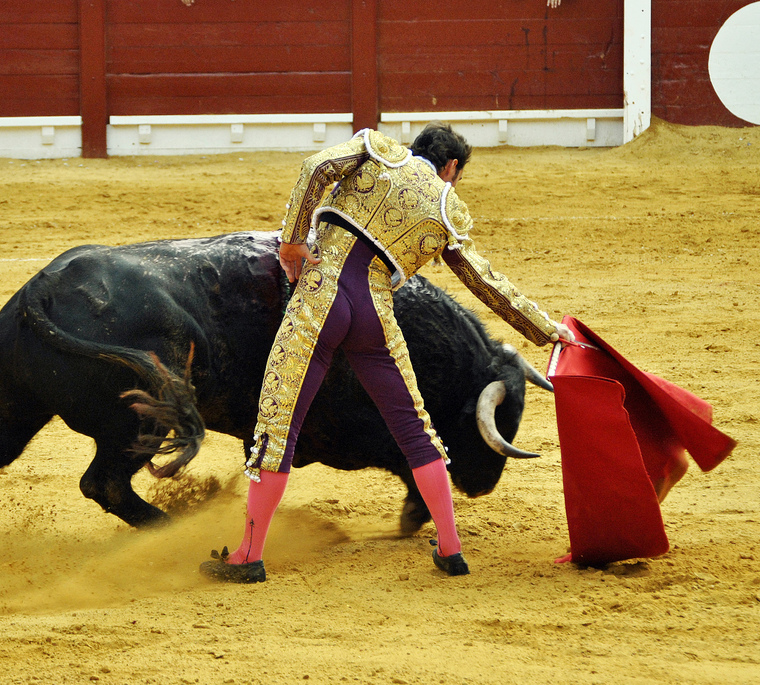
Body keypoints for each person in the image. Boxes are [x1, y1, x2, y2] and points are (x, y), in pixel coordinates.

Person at [200, 122, 574, 583]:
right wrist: (545, 329)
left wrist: (293, 240)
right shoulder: (446, 206)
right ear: (451, 167)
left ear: (416, 149)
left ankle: (248, 556)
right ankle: (451, 549)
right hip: (375, 315)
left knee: (277, 429)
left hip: (321, 300)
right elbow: (485, 282)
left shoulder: (377, 150)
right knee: (416, 430)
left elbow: (315, 167)